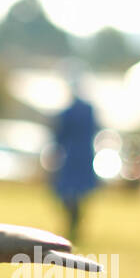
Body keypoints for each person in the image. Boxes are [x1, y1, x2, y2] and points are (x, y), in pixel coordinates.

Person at [50, 68, 100, 240]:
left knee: (68, 193)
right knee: (76, 194)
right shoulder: (89, 110)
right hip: (84, 155)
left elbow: (59, 136)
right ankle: (74, 227)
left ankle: (73, 227)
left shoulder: (70, 112)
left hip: (72, 157)